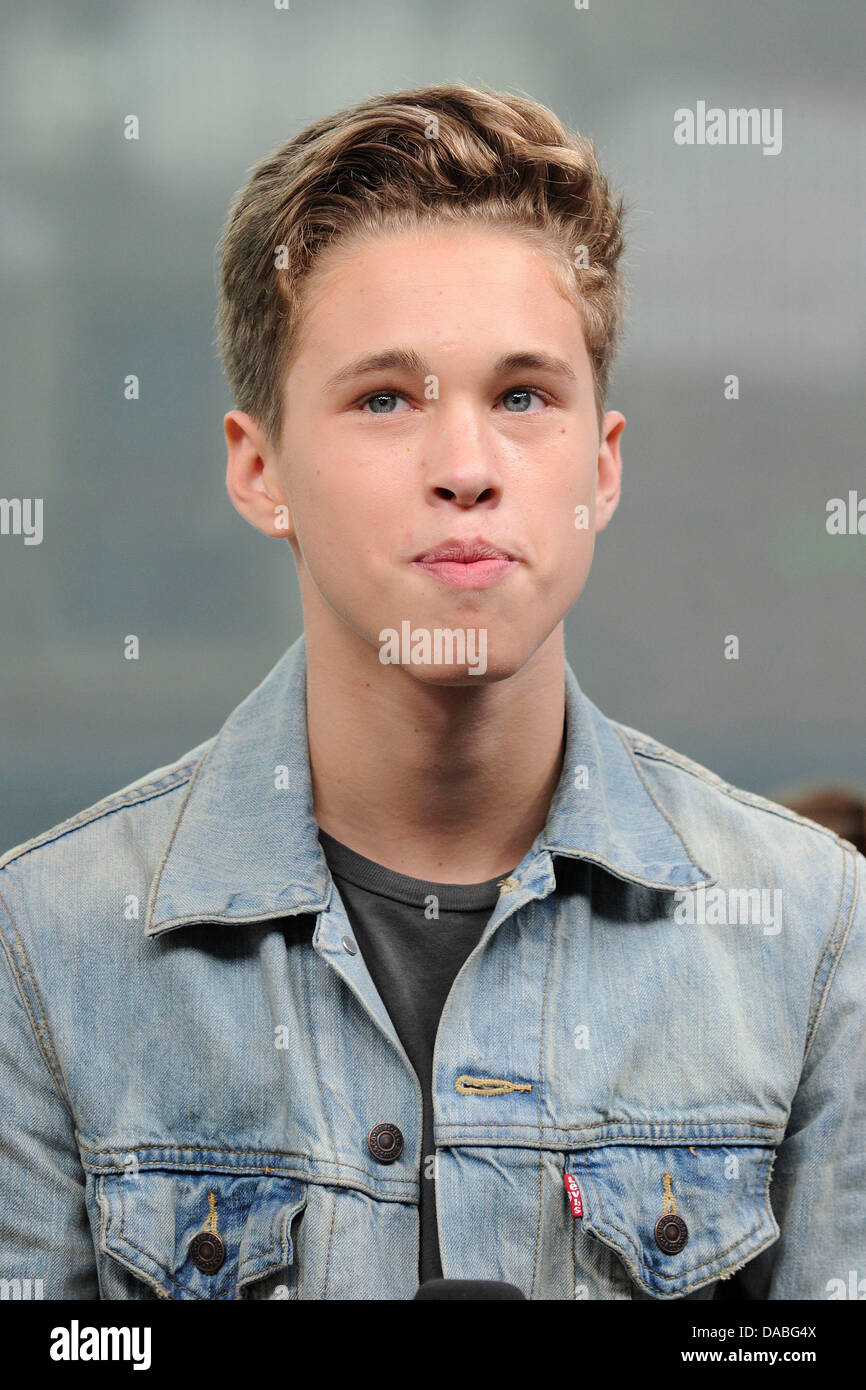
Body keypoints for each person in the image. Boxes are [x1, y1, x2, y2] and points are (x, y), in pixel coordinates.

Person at [1, 82, 863, 1301]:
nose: (464, 468)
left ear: (599, 468)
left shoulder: (820, 936)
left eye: (521, 397)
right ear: (259, 469)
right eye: (384, 399)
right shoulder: (43, 950)